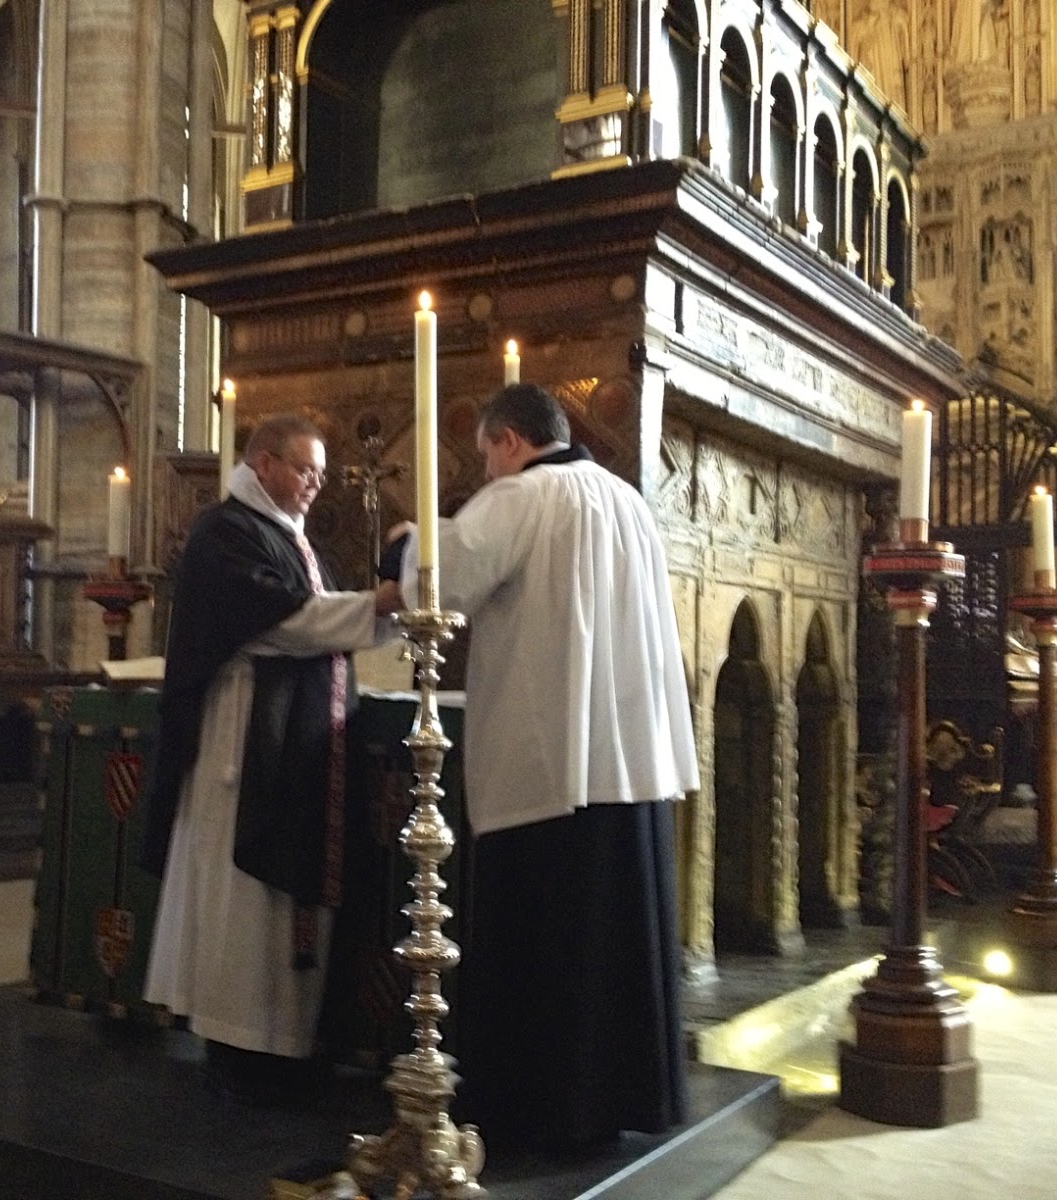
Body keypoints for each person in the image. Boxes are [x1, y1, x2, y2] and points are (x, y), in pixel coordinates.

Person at [390, 384, 700, 1151]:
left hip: (552, 767)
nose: (488, 473)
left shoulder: (524, 495)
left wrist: (402, 542)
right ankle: (630, 1098)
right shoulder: (627, 501)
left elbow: (444, 577)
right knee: (620, 940)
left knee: (548, 945)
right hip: (629, 766)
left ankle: (545, 1112)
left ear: (507, 441)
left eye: (486, 456)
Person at [141, 413, 399, 1093]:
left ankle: (280, 1038)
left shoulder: (286, 536)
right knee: (244, 893)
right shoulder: (225, 532)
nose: (315, 483)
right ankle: (239, 1040)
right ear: (262, 464)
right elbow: (284, 623)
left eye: (320, 471)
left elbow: (315, 619)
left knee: (276, 898)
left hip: (289, 738)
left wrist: (380, 606)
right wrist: (378, 603)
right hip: (243, 742)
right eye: (303, 468)